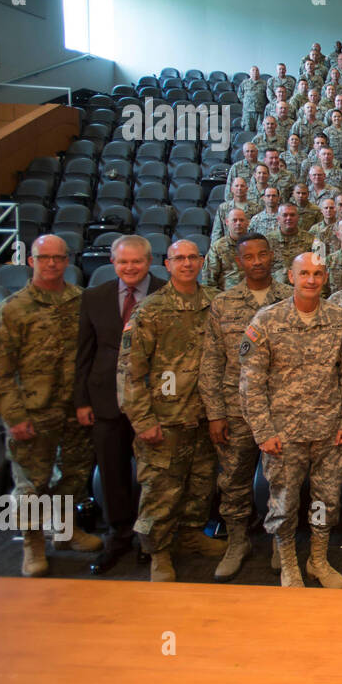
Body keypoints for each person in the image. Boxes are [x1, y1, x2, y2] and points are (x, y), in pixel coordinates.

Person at [240, 252, 342, 588]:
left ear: (326, 278)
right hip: (284, 432)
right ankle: (289, 563)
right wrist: (263, 431)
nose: (311, 280)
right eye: (304, 273)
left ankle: (318, 559)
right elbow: (251, 382)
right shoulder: (266, 321)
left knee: (326, 499)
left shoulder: (339, 319)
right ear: (291, 277)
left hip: (328, 431)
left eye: (318, 274)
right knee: (284, 501)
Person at [0, 235, 100, 577]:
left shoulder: (81, 301)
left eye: (58, 258)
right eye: (44, 257)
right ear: (32, 261)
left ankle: (63, 533)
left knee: (74, 474)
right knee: (31, 483)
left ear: (68, 262)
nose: (52, 263)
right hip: (31, 411)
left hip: (73, 409)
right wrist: (13, 415)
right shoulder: (13, 309)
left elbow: (91, 356)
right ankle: (33, 543)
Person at [116, 239, 225, 582]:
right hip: (165, 417)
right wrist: (143, 420)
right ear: (167, 264)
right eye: (180, 258)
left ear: (202, 261)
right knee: (160, 490)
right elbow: (129, 370)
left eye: (193, 258)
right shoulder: (150, 310)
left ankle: (192, 535)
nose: (187, 264)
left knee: (201, 482)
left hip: (205, 414)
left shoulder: (215, 303)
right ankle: (157, 552)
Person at [199, 233, 292, 581]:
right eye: (248, 256)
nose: (256, 261)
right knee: (234, 479)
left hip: (281, 406)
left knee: (281, 479)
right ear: (239, 262)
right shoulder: (223, 303)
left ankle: (280, 541)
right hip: (236, 409)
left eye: (262, 254)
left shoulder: (290, 297)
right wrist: (215, 413)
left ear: (272, 256)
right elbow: (211, 362)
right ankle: (237, 541)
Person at [76, 235, 164, 574]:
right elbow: (83, 354)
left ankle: (149, 537)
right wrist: (82, 401)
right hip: (105, 400)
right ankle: (118, 534)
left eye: (137, 261)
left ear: (149, 261)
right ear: (113, 263)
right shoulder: (94, 297)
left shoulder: (164, 293)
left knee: (152, 476)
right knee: (111, 472)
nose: (130, 268)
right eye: (123, 262)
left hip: (152, 401)